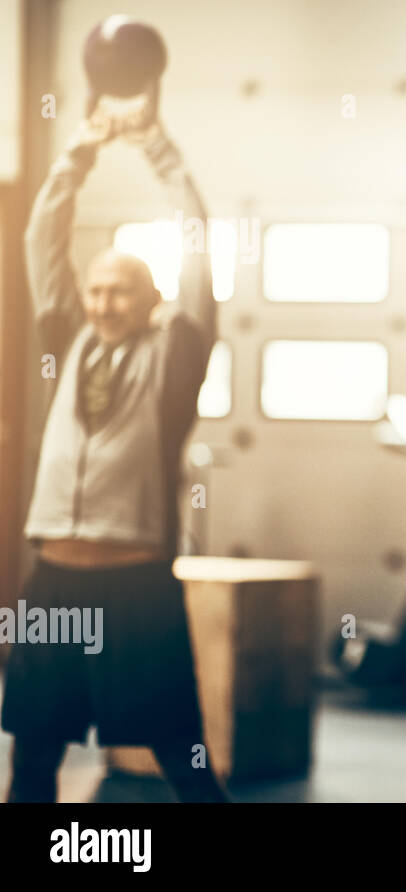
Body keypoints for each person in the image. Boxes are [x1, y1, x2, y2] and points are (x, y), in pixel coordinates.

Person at [2, 90, 227, 802]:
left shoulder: (176, 357)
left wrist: (157, 148)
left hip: (135, 587)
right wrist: (82, 148)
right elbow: (43, 238)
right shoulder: (69, 344)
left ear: (153, 298)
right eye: (95, 289)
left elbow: (197, 243)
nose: (101, 302)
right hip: (56, 581)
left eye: (119, 291)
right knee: (32, 755)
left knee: (181, 753)